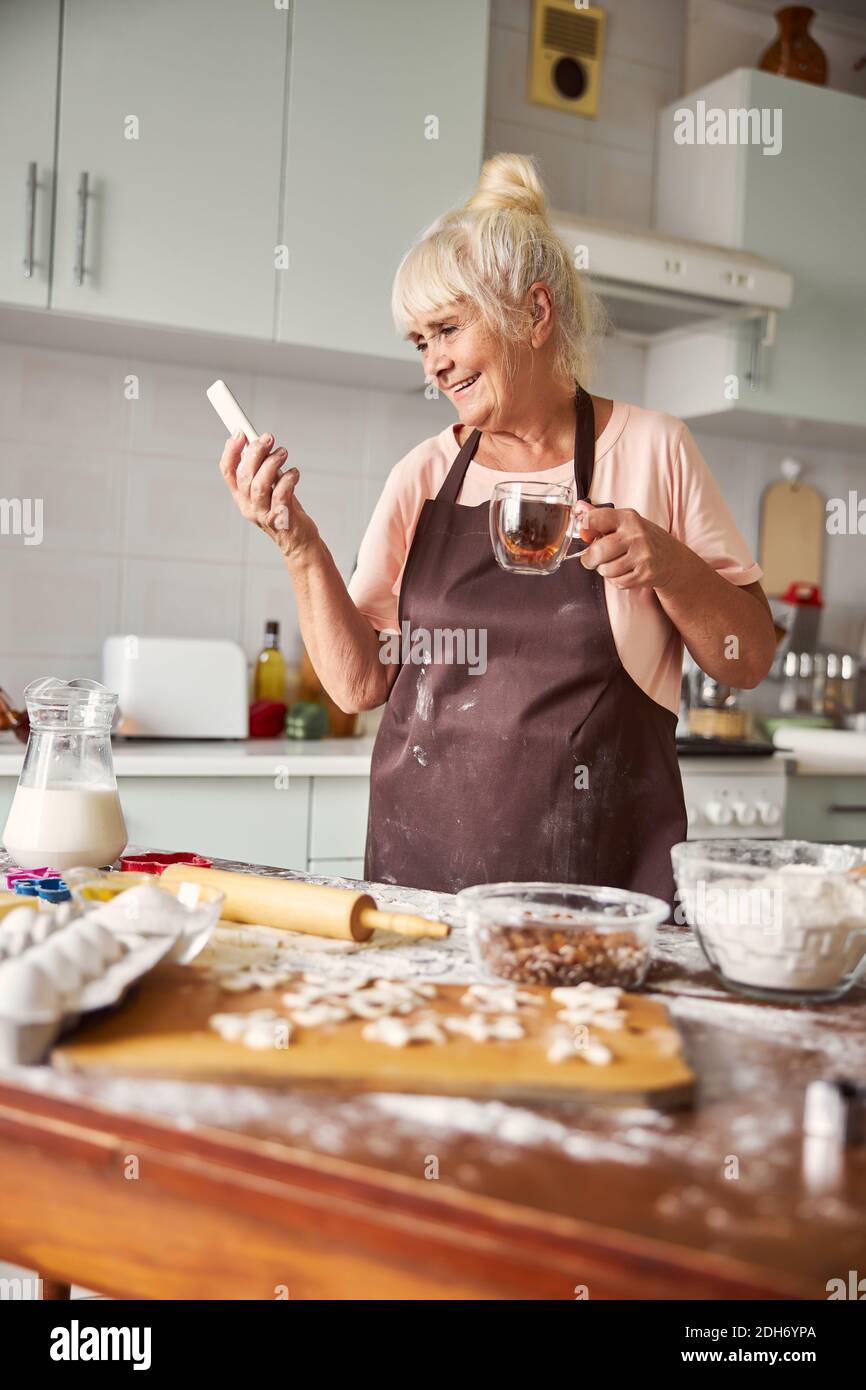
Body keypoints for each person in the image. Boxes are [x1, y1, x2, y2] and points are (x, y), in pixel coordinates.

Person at [218, 154, 776, 904]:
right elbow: (357, 685)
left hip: (598, 902)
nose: (435, 365)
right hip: (424, 894)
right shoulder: (421, 475)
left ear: (535, 314)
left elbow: (747, 658)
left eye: (447, 329)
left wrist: (666, 563)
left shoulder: (654, 448)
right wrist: (297, 543)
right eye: (420, 342)